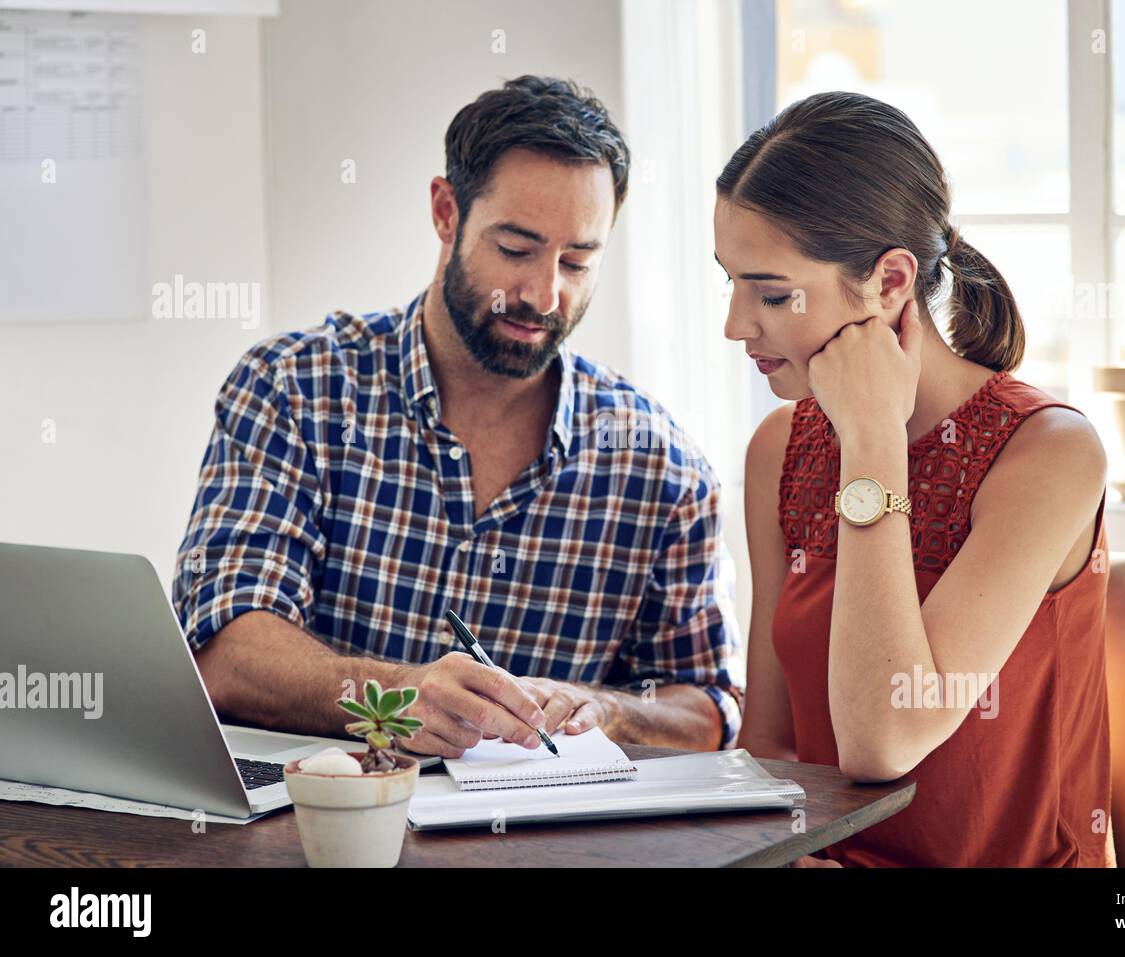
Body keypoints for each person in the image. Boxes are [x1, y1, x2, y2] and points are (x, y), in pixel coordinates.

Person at [172, 75, 743, 758]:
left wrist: (605, 708)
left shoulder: (659, 466)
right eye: (516, 249)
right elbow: (225, 653)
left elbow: (709, 708)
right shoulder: (297, 391)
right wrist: (396, 697)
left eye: (578, 261)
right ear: (446, 212)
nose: (543, 292)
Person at [717, 91, 1113, 866]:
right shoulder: (778, 448)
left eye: (771, 293)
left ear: (892, 281)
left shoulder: (1050, 454)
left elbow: (883, 738)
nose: (737, 323)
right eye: (729, 282)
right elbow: (769, 742)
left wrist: (870, 442)